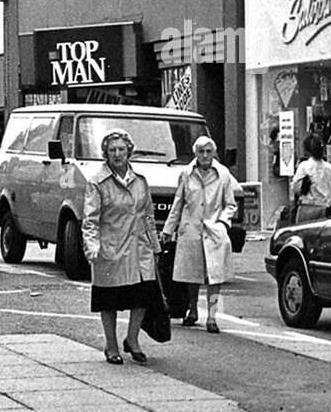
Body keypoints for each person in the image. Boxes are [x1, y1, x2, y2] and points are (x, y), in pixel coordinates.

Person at [82, 130, 161, 365]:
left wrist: (155, 246)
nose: (117, 154)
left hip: (139, 248)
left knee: (142, 296)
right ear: (105, 153)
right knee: (110, 299)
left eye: (121, 149)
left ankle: (132, 339)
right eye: (112, 150)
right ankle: (111, 345)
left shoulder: (140, 182)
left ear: (129, 152)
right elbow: (90, 219)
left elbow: (148, 215)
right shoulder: (97, 182)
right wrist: (92, 246)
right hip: (111, 248)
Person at [162, 136, 240, 334]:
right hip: (191, 230)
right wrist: (167, 230)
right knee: (192, 275)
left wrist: (223, 223)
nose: (205, 156)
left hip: (214, 231)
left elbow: (230, 204)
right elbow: (178, 203)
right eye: (201, 152)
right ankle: (193, 309)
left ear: (214, 153)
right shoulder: (186, 173)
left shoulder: (223, 174)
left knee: (215, 277)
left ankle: (212, 316)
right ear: (195, 153)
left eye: (209, 151)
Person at [288, 133, 331, 223]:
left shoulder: (304, 166)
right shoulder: (329, 168)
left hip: (308, 208)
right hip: (325, 208)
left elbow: (295, 189)